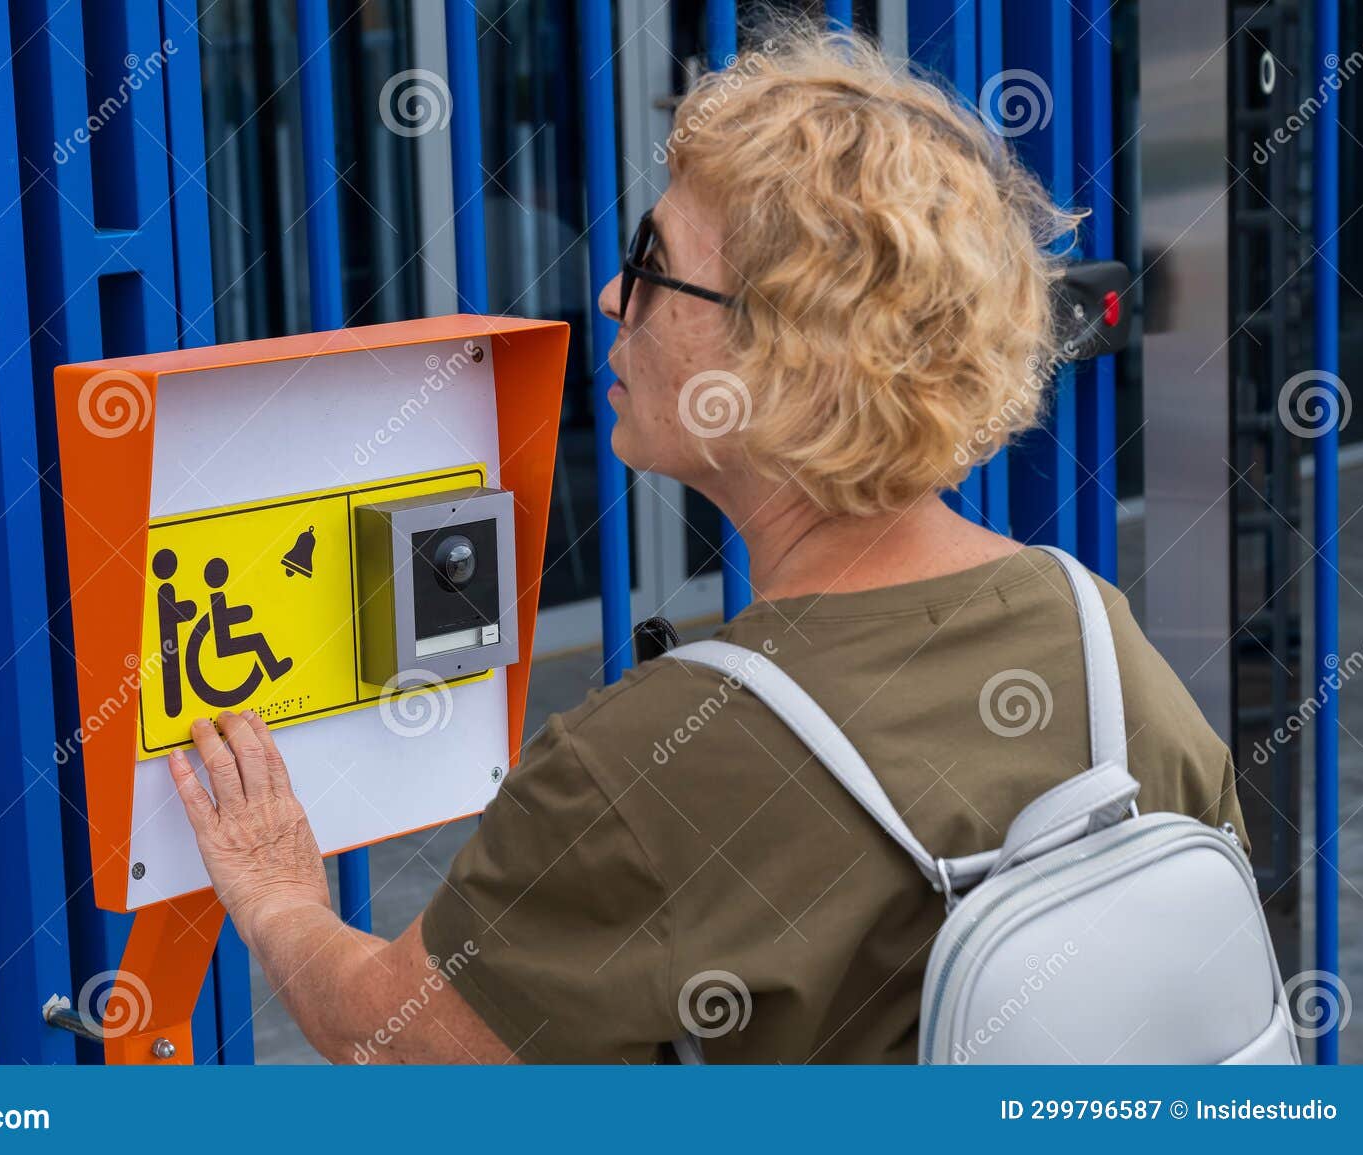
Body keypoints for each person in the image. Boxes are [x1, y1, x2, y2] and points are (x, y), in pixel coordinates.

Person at [166, 27, 1247, 1064]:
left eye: (651, 262)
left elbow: (388, 1040)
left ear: (785, 352)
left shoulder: (645, 763)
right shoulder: (1091, 627)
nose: (607, 295)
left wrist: (277, 896)